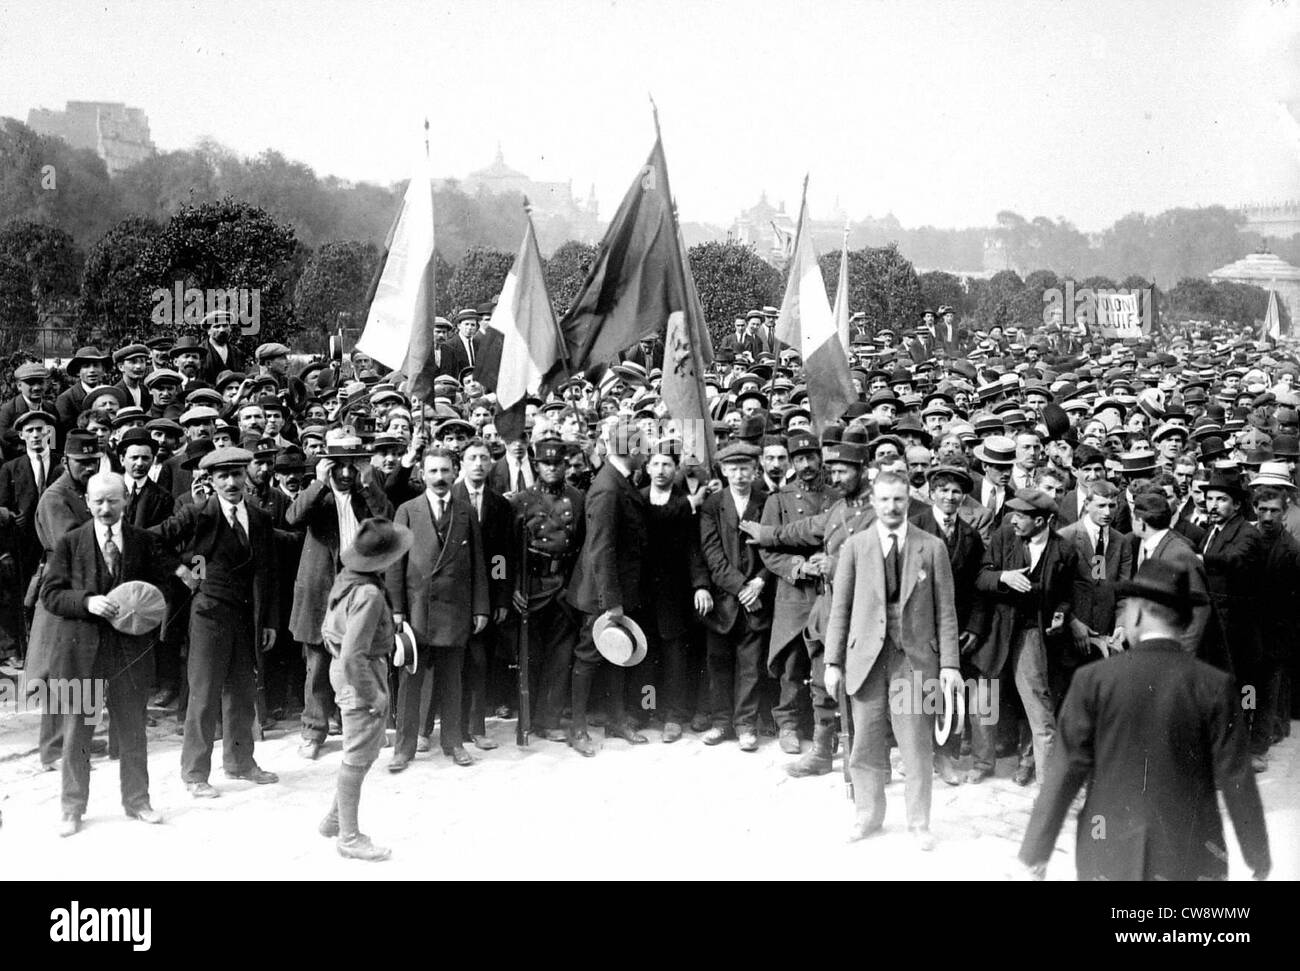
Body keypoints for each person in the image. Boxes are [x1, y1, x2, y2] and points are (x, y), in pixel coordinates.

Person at [1018, 559, 1271, 881]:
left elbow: (1065, 769)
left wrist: (1036, 852)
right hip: (1193, 853)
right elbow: (1238, 779)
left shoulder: (1093, 679)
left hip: (1107, 848)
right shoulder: (1214, 685)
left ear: (1136, 613)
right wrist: (1258, 856)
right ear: (1185, 621)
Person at [823, 470, 960, 849]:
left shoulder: (931, 547)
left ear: (909, 500)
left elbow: (946, 612)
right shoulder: (855, 547)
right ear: (872, 501)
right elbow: (841, 608)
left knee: (916, 746)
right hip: (866, 660)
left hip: (913, 661)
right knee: (865, 743)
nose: (892, 507)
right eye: (884, 500)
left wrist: (949, 665)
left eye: (899, 499)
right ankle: (868, 816)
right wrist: (832, 662)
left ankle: (919, 823)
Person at [40, 472, 179, 836]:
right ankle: (72, 808)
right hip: (80, 654)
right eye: (98, 501)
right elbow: (50, 595)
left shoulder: (144, 542)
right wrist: (86, 601)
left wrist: (140, 604)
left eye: (113, 501)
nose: (105, 508)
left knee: (132, 730)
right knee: (77, 733)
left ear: (125, 502)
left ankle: (138, 801)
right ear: (87, 502)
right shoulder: (70, 543)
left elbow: (161, 588)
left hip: (129, 654)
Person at [150, 446, 281, 797]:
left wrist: (268, 620)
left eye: (237, 474)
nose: (231, 482)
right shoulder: (197, 515)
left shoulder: (260, 517)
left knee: (241, 692)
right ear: (211, 480)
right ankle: (194, 774)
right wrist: (184, 571)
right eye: (223, 476)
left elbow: (267, 571)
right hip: (208, 615)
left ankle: (240, 763)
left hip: (245, 616)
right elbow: (151, 541)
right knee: (204, 694)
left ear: (246, 476)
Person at [287, 433, 392, 760]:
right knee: (318, 664)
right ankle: (314, 730)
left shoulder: (364, 495)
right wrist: (318, 482)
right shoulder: (317, 495)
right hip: (321, 590)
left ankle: (361, 728)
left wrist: (367, 482)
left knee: (361, 658)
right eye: (339, 466)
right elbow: (293, 517)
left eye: (352, 466)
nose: (345, 474)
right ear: (327, 466)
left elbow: (385, 519)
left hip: (359, 588)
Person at [967, 488, 1081, 786]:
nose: (1013, 520)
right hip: (997, 630)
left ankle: (1045, 780)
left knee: (1038, 706)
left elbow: (1068, 595)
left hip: (1033, 633)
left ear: (1041, 521)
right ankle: (982, 761)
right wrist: (1004, 577)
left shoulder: (1064, 550)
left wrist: (1061, 613)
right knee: (983, 701)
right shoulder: (1004, 536)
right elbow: (981, 577)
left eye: (1021, 516)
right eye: (1013, 513)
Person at [387, 448, 489, 770]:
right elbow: (394, 564)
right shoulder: (407, 510)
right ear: (422, 474)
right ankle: (403, 749)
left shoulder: (465, 511)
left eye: (445, 470)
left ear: (455, 471)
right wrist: (397, 609)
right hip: (417, 612)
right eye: (433, 471)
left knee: (452, 680)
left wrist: (481, 607)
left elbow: (479, 562)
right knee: (410, 682)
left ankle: (454, 742)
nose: (440, 478)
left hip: (455, 610)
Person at [318, 517, 411, 862]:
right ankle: (349, 837)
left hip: (345, 671)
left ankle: (334, 818)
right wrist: (376, 695)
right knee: (356, 758)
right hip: (360, 674)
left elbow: (331, 633)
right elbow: (354, 654)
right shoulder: (370, 593)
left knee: (364, 750)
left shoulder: (348, 580)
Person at [565, 416, 650, 757]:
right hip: (600, 594)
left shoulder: (619, 480)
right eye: (644, 446)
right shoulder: (607, 488)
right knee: (588, 657)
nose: (647, 452)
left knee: (618, 655)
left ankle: (615, 718)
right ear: (630, 449)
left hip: (615, 590)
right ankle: (577, 728)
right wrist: (611, 601)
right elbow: (601, 549)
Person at [910, 464, 985, 785]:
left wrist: (975, 626)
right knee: (918, 691)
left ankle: (946, 756)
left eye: (956, 491)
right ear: (932, 494)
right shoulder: (915, 528)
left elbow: (980, 586)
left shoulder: (970, 536)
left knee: (951, 693)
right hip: (920, 627)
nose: (950, 497)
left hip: (956, 628)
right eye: (943, 491)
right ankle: (916, 756)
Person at [699, 442, 774, 751]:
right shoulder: (712, 505)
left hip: (757, 597)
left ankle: (746, 724)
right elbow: (712, 554)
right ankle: (721, 722)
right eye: (734, 469)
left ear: (755, 470)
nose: (740, 475)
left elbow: (775, 548)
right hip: (724, 600)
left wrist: (760, 580)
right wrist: (742, 587)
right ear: (724, 471)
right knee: (718, 665)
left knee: (750, 666)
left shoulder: (768, 502)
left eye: (746, 468)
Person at [509, 438, 585, 741]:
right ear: (536, 465)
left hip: (564, 585)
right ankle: (526, 718)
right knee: (531, 656)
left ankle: (549, 719)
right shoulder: (521, 501)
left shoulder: (578, 498)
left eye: (557, 463)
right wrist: (513, 585)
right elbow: (504, 553)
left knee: (561, 656)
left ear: (566, 465)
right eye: (545, 463)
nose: (552, 468)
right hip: (531, 585)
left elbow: (582, 545)